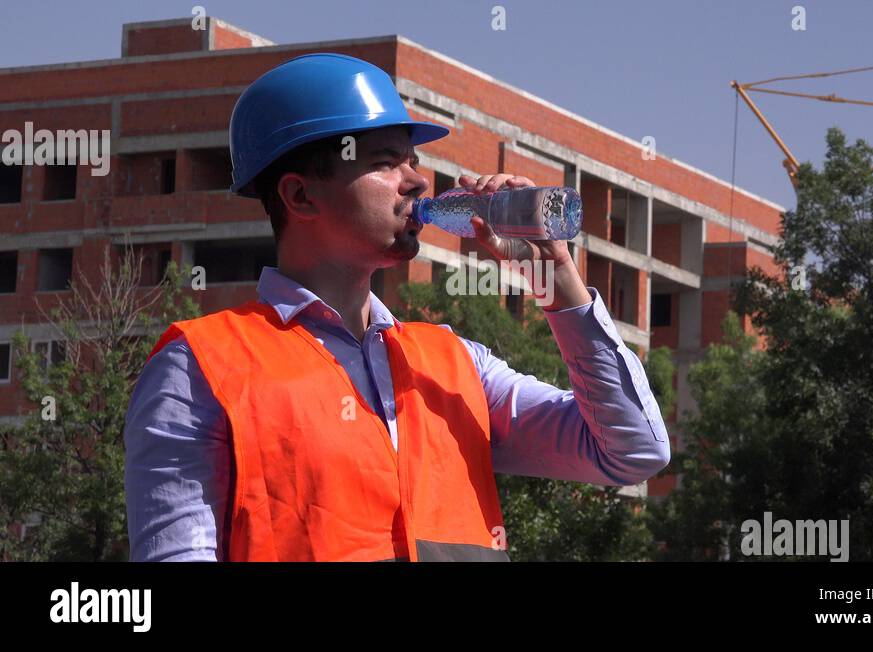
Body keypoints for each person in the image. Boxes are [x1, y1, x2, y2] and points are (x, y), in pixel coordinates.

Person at [124, 53, 670, 562]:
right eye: (386, 163)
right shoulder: (200, 367)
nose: (417, 181)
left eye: (413, 160)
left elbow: (632, 451)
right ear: (300, 196)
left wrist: (554, 276)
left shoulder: (455, 364)